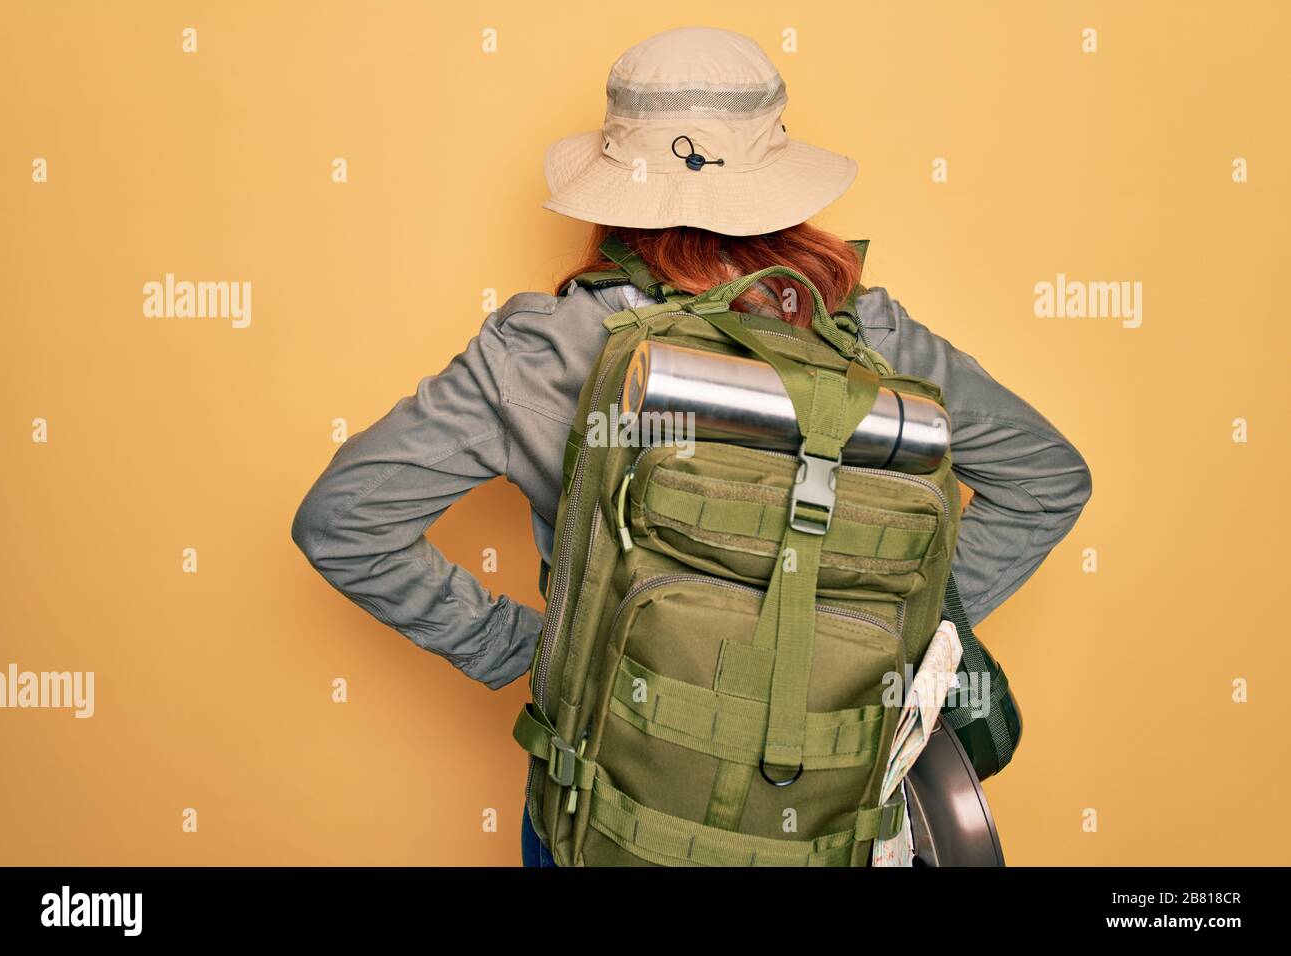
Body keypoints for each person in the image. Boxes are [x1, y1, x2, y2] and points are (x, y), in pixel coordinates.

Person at [290, 26, 1093, 868]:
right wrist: (882, 632)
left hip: (606, 811)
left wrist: (550, 652)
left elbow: (343, 524)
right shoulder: (873, 337)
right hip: (824, 815)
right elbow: (1048, 480)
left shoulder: (541, 350)